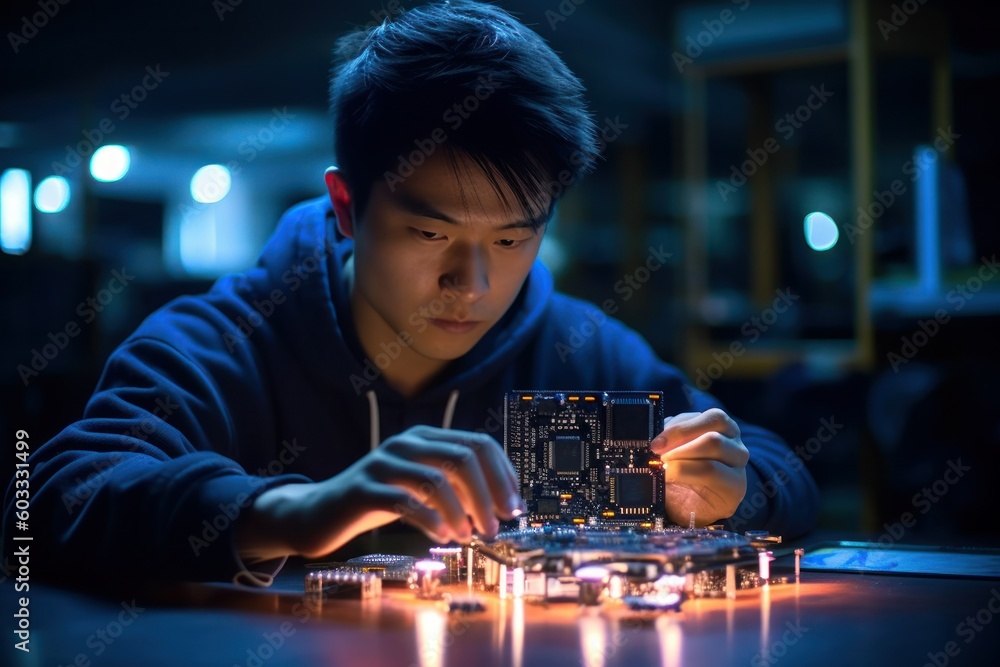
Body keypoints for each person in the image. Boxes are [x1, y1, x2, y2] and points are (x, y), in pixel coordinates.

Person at [3, 0, 818, 584]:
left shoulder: (578, 346)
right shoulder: (216, 346)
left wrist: (732, 492)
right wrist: (296, 508)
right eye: (431, 235)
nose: (476, 283)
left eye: (512, 238)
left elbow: (776, 464)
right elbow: (48, 498)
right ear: (347, 207)